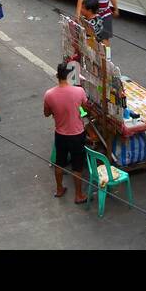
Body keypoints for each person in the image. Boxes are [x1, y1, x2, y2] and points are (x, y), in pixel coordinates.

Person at [44, 61, 87, 203]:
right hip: (77, 134)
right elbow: (84, 107)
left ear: (57, 76)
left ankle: (59, 189)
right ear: (70, 76)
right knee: (77, 165)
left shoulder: (49, 94)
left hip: (61, 134)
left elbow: (46, 113)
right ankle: (79, 195)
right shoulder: (79, 91)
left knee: (59, 162)